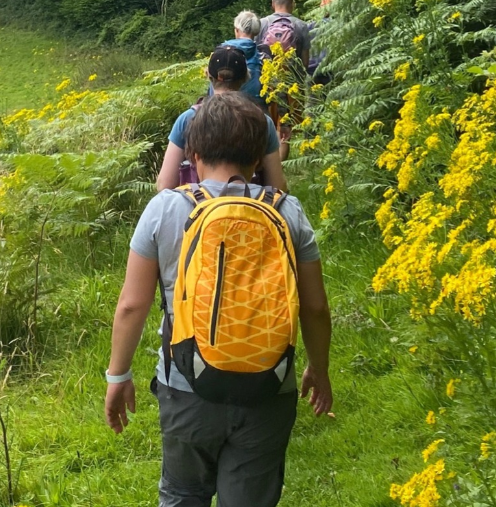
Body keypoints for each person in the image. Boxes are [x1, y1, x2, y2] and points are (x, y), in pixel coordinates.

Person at [105, 92, 334, 507]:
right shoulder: (290, 211)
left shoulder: (164, 209)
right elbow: (315, 306)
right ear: (259, 154)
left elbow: (131, 305)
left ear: (192, 152)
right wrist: (319, 369)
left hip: (185, 384)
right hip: (269, 384)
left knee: (182, 494)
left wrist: (118, 376)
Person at [156, 45, 287, 192]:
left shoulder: (187, 119)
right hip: (248, 210)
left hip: (195, 212)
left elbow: (165, 184)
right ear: (245, 78)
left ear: (208, 75)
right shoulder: (262, 121)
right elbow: (277, 186)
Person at [258, 0, 312, 160]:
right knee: (285, 124)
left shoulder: (262, 24)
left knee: (267, 123)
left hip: (268, 83)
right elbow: (305, 62)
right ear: (292, 4)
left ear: (273, 4)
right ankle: (281, 165)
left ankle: (265, 163)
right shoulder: (301, 26)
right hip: (291, 83)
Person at [218, 10, 264, 105]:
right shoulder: (262, 53)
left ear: (237, 30)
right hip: (254, 108)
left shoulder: (221, 52)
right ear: (256, 32)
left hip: (224, 107)